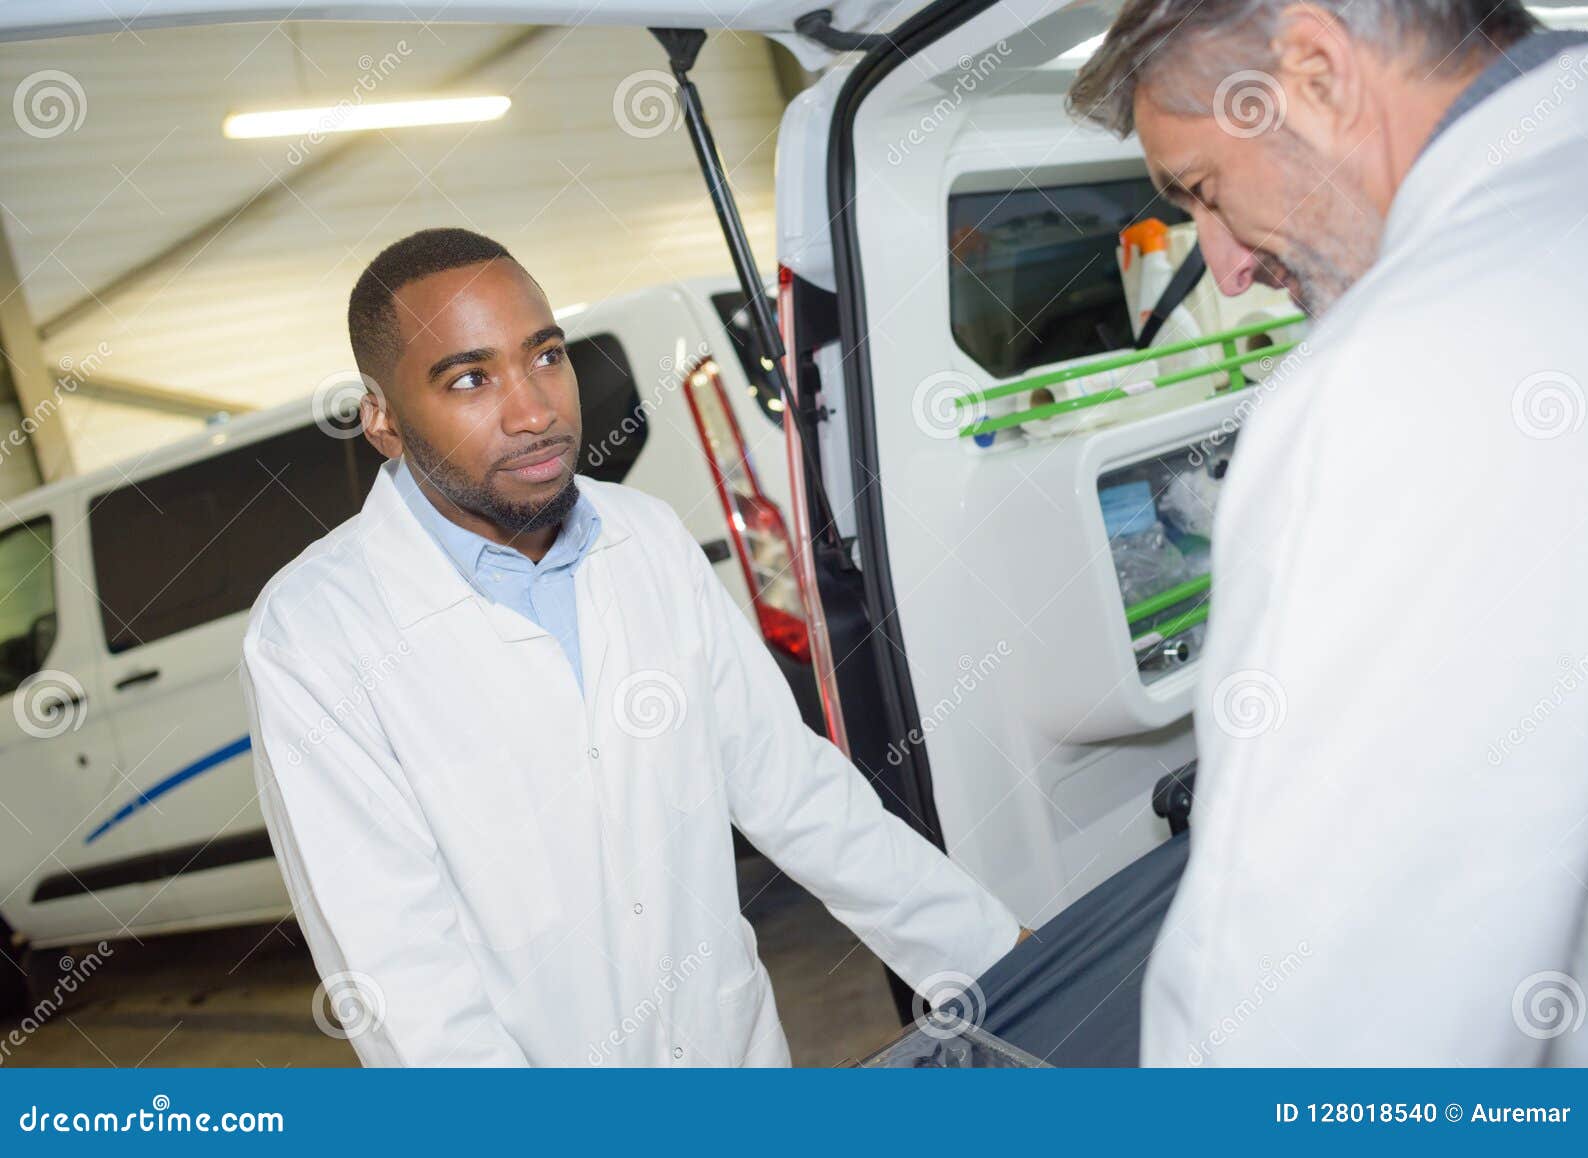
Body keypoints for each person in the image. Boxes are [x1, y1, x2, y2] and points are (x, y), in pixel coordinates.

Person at [239, 228, 1023, 1067]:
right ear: (383, 422)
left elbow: (799, 796)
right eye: (470, 379)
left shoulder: (645, 539)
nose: (534, 411)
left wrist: (997, 957)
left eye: (545, 356)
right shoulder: (314, 638)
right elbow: (408, 989)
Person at [1070, 1, 1588, 1064]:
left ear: (1312, 72)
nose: (1221, 266)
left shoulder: (1391, 376)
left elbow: (1302, 1027)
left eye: (1202, 190)